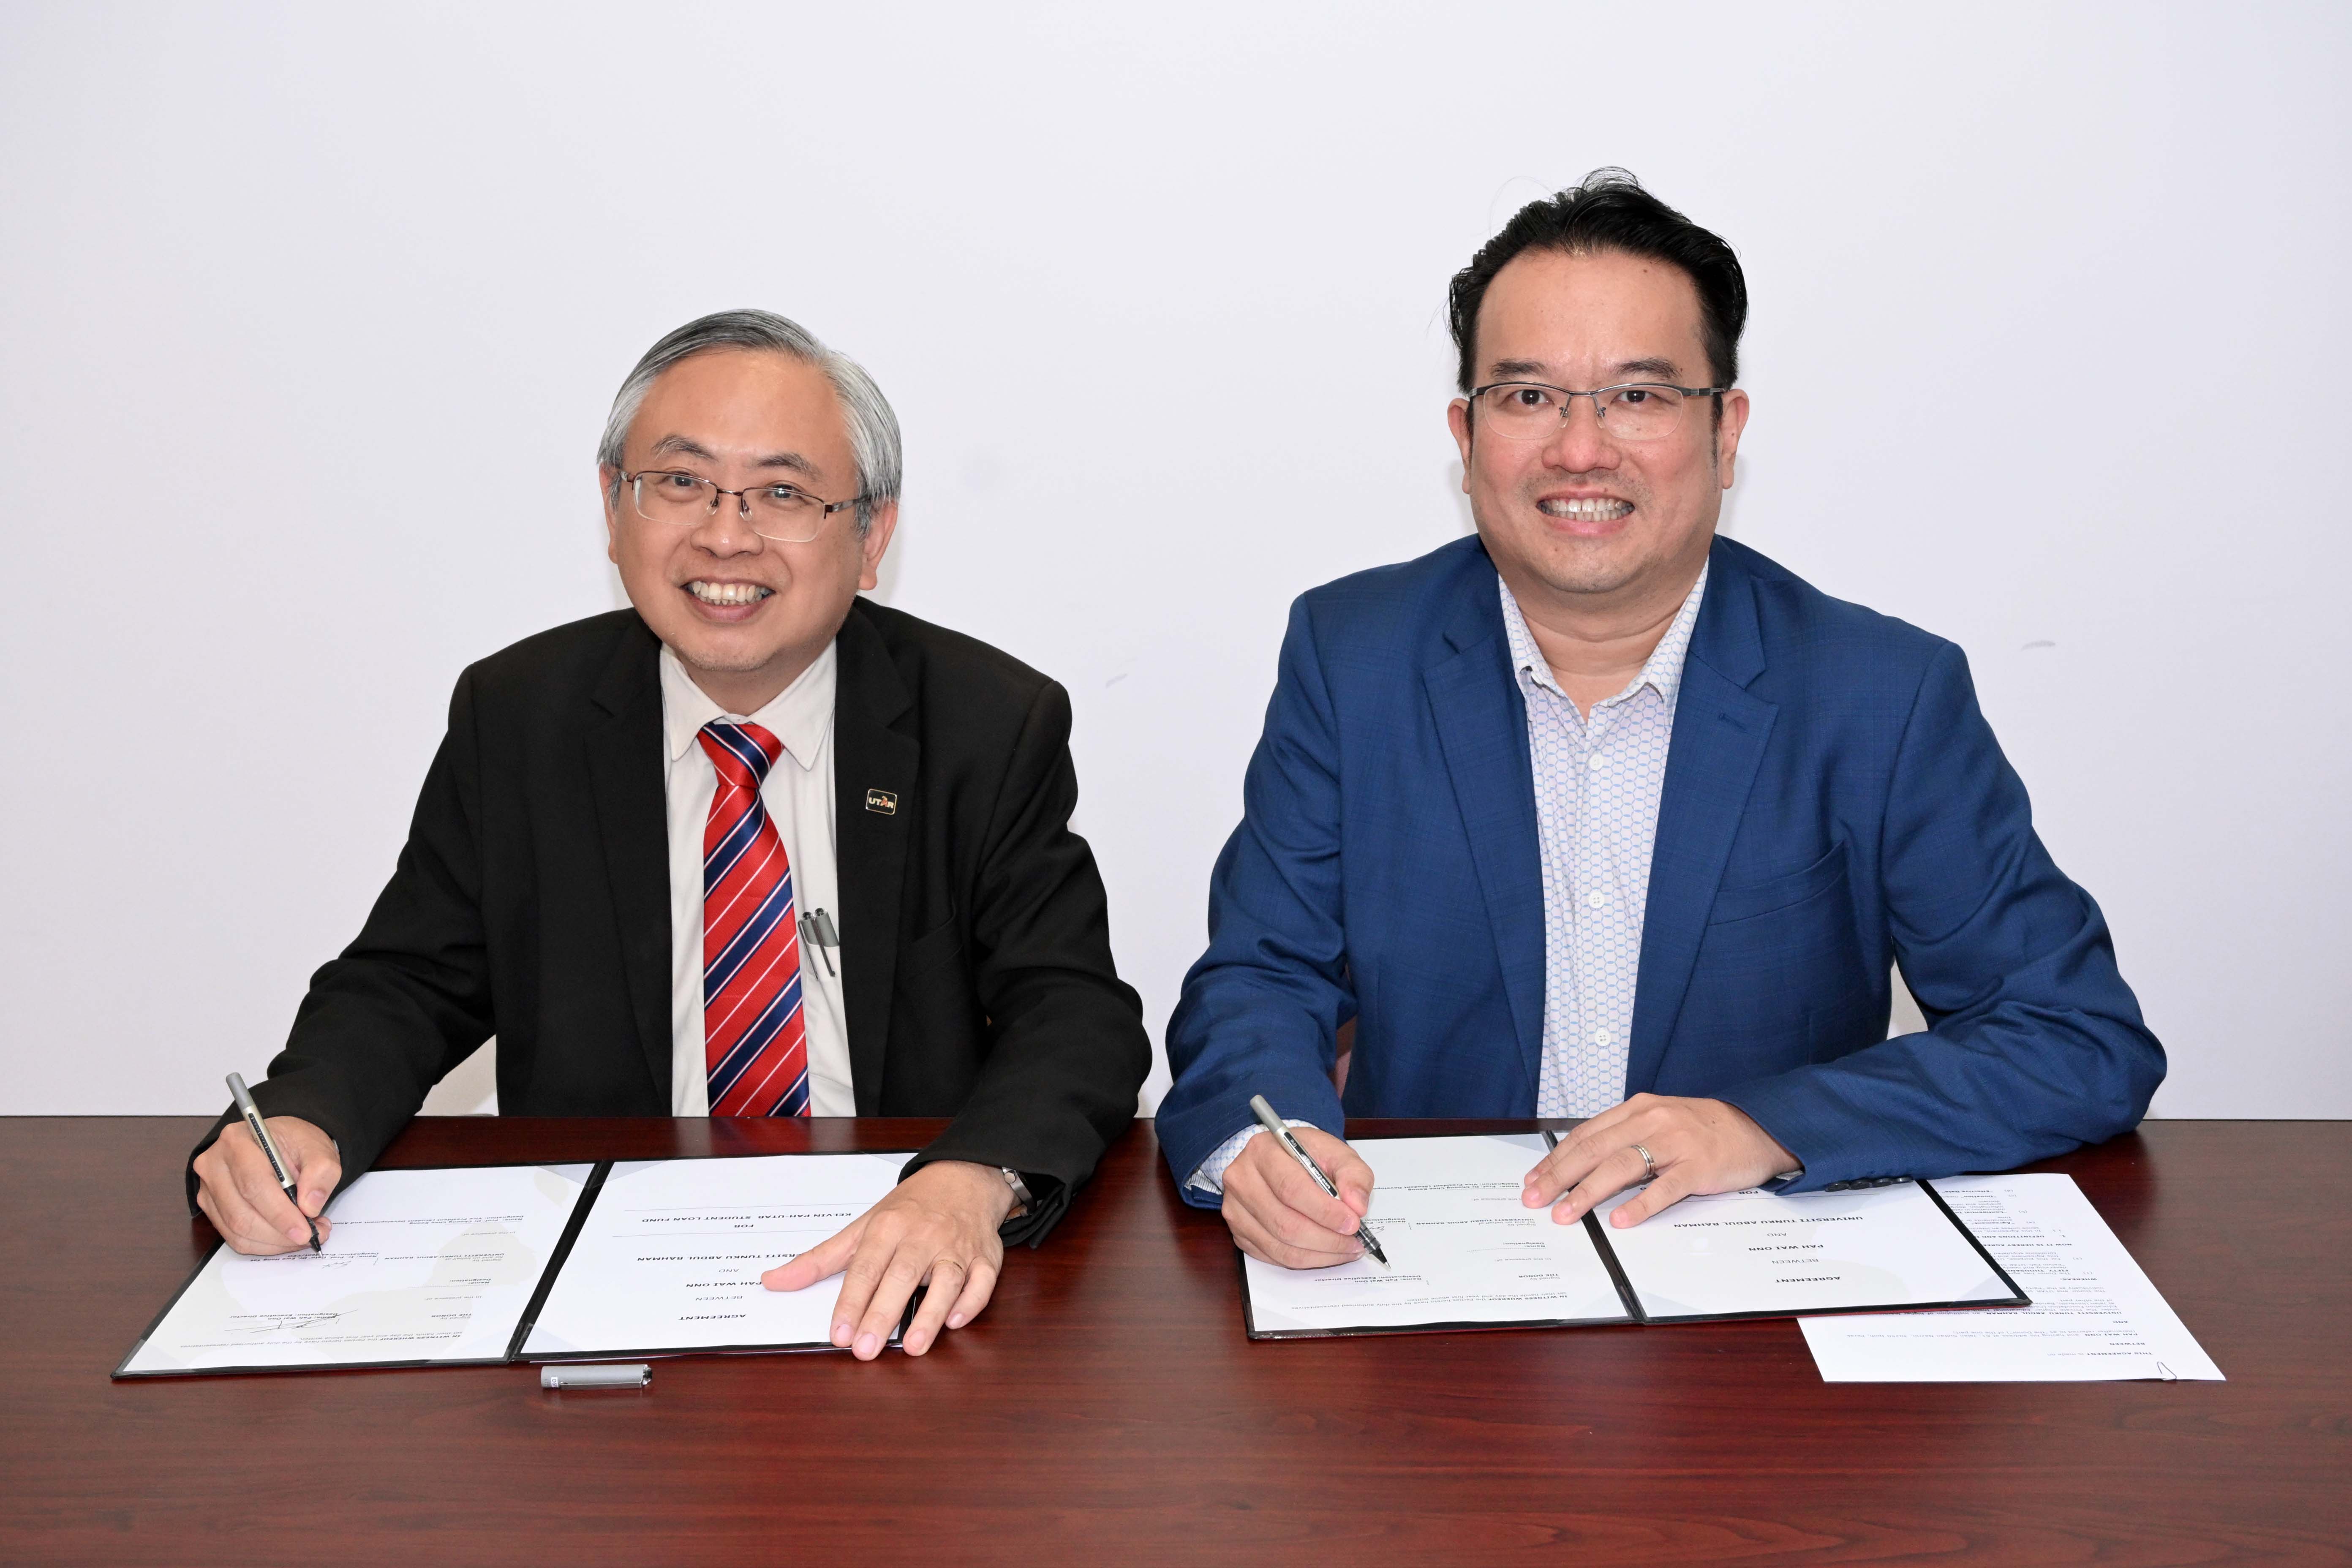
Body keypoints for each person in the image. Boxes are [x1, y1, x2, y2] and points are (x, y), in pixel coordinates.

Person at [1157, 171, 2164, 1270]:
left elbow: (2073, 1038)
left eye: (1636, 397)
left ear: (1726, 433)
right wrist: (1271, 1144)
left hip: (1747, 1295)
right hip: (1435, 1279)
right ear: (1466, 431)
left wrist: (1763, 1128)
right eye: (1528, 397)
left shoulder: (1879, 693)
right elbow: (1261, 978)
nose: (1580, 450)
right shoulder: (1354, 656)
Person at [190, 310, 1151, 1357]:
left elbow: (1074, 1013)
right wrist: (302, 1117)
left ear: (871, 536)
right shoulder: (522, 715)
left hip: (896, 1265)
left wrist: (975, 1177)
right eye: (682, 483)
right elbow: (408, 983)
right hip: (608, 1274)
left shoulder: (984, 721)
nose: (725, 536)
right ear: (614, 508)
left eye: (784, 493)